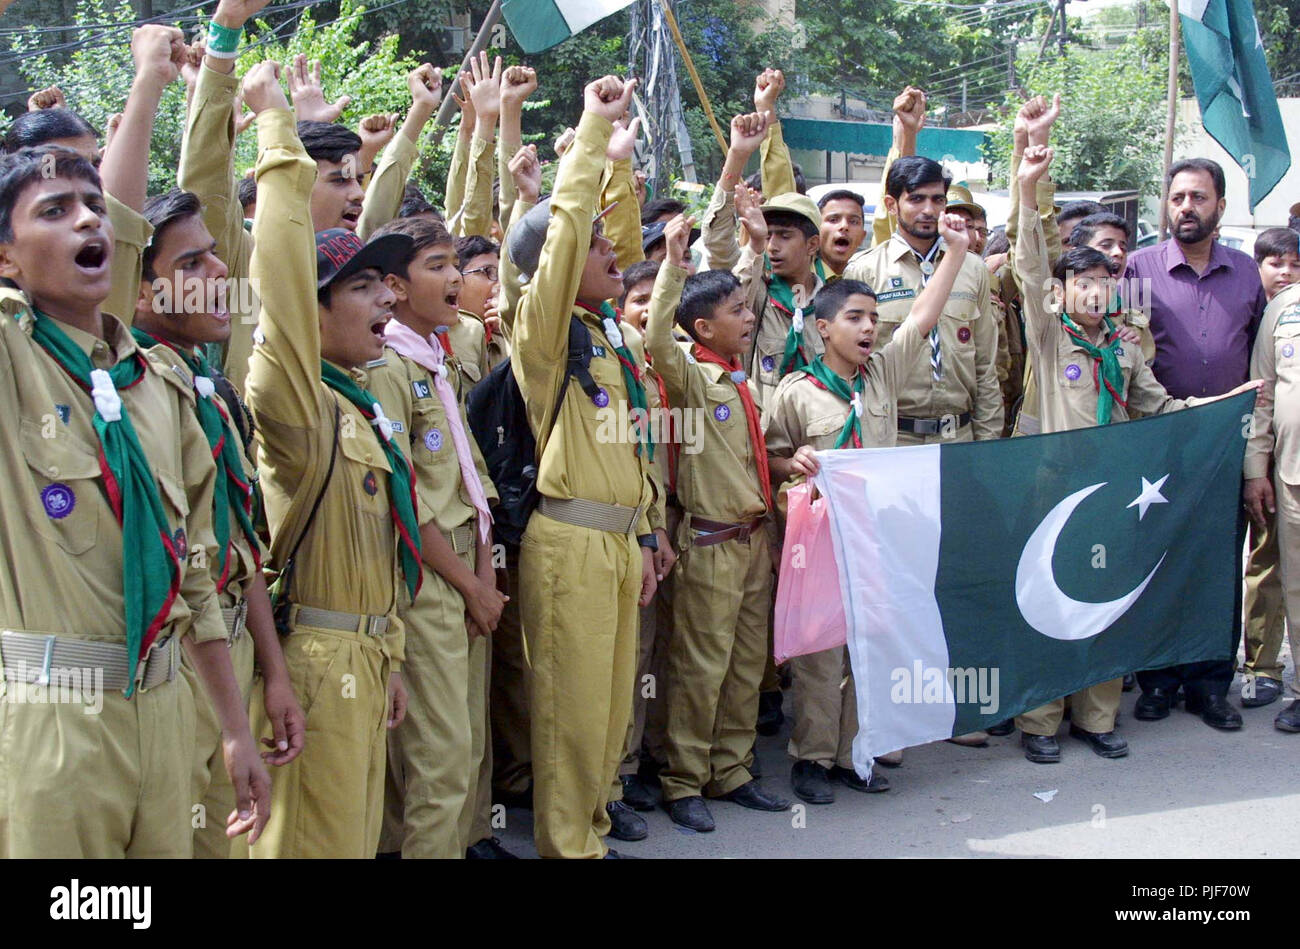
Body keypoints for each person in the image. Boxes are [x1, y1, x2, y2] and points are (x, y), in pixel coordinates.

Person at [0, 144, 269, 856]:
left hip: (168, 707)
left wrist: (234, 727)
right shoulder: (12, 358)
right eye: (54, 211)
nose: (88, 219)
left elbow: (199, 574)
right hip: (59, 715)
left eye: (93, 204)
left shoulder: (158, 386)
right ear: (6, 259)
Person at [1013, 144, 1258, 762]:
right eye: (1082, 284)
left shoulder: (1124, 350)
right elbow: (1028, 260)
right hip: (1054, 488)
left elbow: (1163, 407)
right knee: (1046, 603)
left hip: (1114, 490)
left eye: (1105, 284)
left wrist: (1226, 402)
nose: (1095, 295)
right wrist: (1026, 185)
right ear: (1061, 292)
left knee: (1105, 599)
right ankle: (1040, 722)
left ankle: (1096, 718)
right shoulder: (1047, 338)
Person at [239, 60, 416, 857]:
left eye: (388, 283)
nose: (391, 300)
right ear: (313, 309)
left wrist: (389, 654)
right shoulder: (295, 396)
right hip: (310, 661)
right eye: (366, 287)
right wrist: (280, 129)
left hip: (367, 654)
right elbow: (278, 273)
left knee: (345, 840)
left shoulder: (360, 403)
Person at [766, 213, 973, 803]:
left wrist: (954, 253)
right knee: (821, 654)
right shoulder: (796, 391)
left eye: (874, 319)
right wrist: (792, 464)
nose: (868, 329)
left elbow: (925, 316)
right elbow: (771, 459)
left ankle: (854, 752)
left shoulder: (880, 375)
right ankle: (811, 758)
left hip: (876, 536)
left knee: (868, 648)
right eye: (854, 318)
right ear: (823, 327)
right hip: (822, 541)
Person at [506, 74, 657, 859]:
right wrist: (592, 134)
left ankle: (590, 828)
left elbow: (633, 450)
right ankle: (569, 847)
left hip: (616, 542)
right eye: (598, 246)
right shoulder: (541, 331)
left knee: (605, 711)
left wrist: (646, 533)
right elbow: (565, 233)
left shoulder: (603, 339)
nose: (613, 255)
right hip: (566, 543)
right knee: (570, 711)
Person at [133, 188, 306, 857]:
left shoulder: (212, 393)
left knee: (226, 839)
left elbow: (240, 548)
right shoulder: (131, 391)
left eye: (216, 256)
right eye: (192, 263)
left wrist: (274, 670)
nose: (218, 277)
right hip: (175, 660)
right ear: (139, 290)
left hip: (230, 641)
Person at [365, 216, 508, 859]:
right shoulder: (390, 366)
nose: (456, 278)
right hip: (430, 576)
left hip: (466, 570)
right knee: (438, 758)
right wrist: (469, 583)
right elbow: (406, 499)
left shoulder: (436, 358)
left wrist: (486, 575)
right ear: (393, 287)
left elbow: (471, 479)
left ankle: (462, 842)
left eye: (457, 264)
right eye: (437, 267)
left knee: (467, 739)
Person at [646, 214, 790, 833]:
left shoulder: (740, 376)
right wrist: (674, 267)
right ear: (704, 327)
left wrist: (754, 248)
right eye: (736, 311)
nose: (748, 316)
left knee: (745, 664)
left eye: (746, 307)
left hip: (753, 540)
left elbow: (750, 292)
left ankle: (732, 769)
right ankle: (683, 779)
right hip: (708, 542)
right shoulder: (691, 377)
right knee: (700, 668)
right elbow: (655, 339)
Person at [1126, 157, 1267, 731]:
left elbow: (1258, 361)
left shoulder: (1247, 274)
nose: (1187, 207)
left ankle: (1210, 684)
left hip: (1225, 444)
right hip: (1160, 442)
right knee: (1158, 561)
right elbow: (1120, 355)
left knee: (1217, 564)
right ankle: (1158, 681)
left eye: (1199, 198)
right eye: (1178, 197)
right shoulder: (1137, 268)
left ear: (1220, 207)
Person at [844, 155, 1003, 448]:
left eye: (937, 200)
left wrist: (988, 443)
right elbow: (851, 365)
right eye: (916, 199)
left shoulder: (973, 268)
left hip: (960, 437)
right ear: (892, 205)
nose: (929, 210)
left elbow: (985, 365)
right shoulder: (865, 270)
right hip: (893, 436)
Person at [1239, 227, 1300, 710]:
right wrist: (1256, 467)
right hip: (1289, 472)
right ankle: (1270, 673)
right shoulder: (1284, 309)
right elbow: (1263, 394)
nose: (1286, 270)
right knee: (1283, 575)